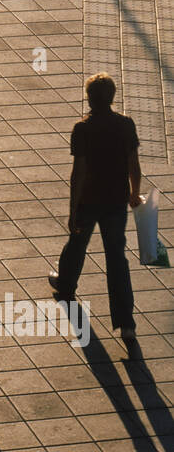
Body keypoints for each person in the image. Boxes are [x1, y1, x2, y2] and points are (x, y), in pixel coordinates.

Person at [49, 73, 142, 347]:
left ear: (89, 97)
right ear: (112, 97)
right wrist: (134, 193)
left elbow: (79, 172)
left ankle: (65, 285)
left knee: (77, 242)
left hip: (89, 200)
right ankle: (126, 324)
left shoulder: (83, 129)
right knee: (116, 259)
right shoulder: (126, 125)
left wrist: (72, 207)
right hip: (116, 201)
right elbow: (134, 164)